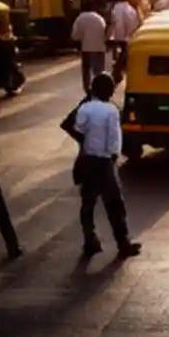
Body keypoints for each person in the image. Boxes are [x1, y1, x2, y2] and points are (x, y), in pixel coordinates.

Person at [72, 73, 141, 258]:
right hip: (104, 161)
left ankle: (90, 241)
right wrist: (113, 156)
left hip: (88, 159)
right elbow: (114, 138)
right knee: (114, 204)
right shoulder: (111, 111)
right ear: (109, 91)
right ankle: (122, 243)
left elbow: (79, 131)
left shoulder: (84, 109)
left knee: (88, 203)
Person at [71, 0, 108, 94]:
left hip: (86, 48)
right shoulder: (99, 18)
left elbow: (75, 35)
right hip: (100, 47)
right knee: (99, 70)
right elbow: (105, 32)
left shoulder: (80, 18)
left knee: (86, 69)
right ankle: (101, 88)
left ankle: (87, 88)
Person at [108, 0, 141, 85]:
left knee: (121, 56)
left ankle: (118, 72)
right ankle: (118, 72)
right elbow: (133, 24)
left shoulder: (116, 7)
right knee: (124, 56)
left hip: (117, 36)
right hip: (126, 37)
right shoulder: (129, 9)